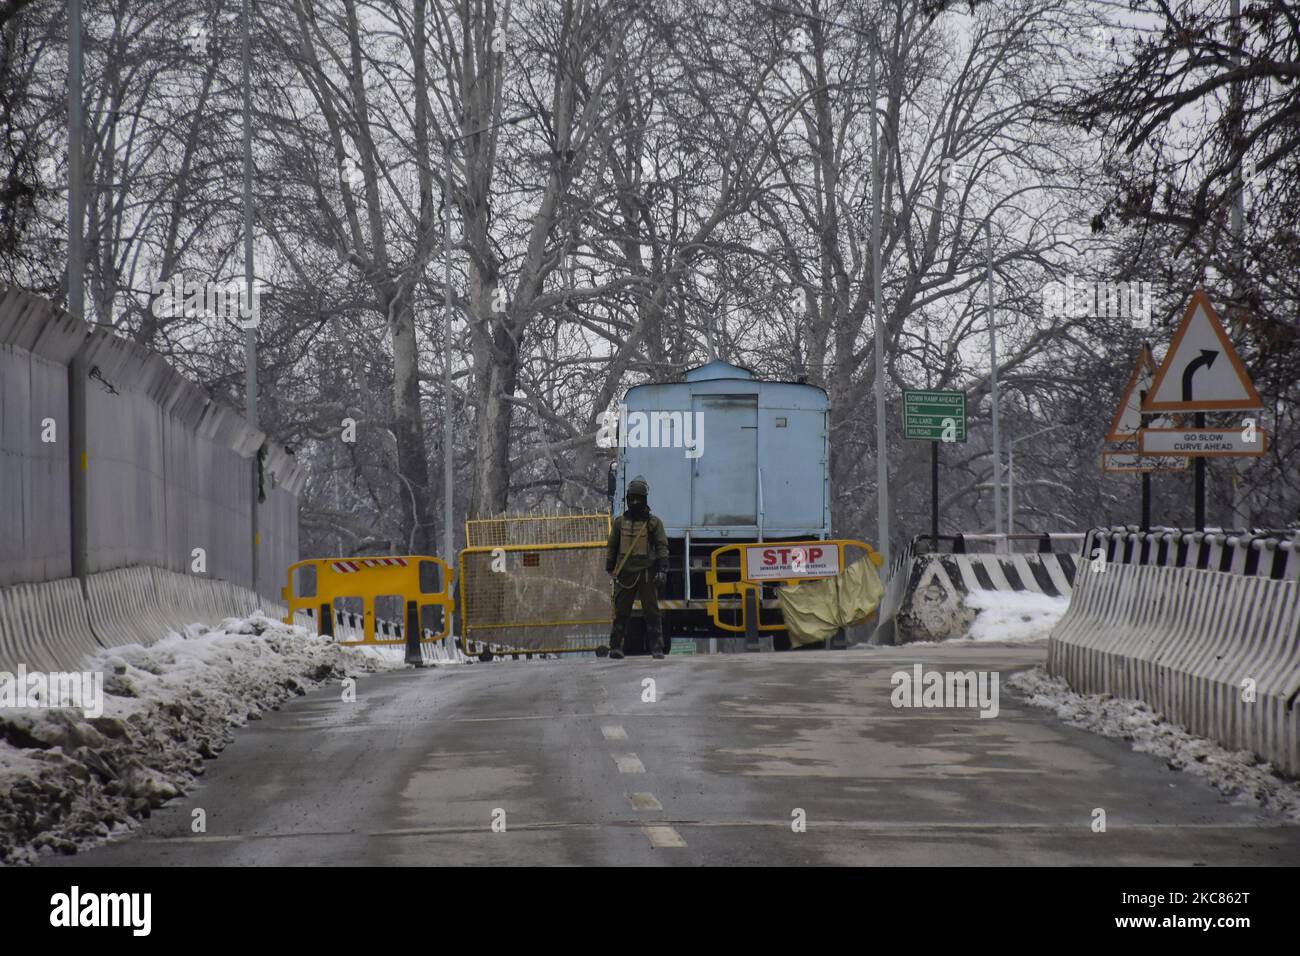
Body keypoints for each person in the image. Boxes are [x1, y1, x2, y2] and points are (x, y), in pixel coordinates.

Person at [605, 475, 669, 659]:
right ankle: (615, 647)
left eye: (638, 499)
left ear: (644, 499)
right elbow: (612, 546)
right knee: (622, 612)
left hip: (646, 572)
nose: (634, 502)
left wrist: (662, 569)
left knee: (652, 611)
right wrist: (610, 567)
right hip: (625, 574)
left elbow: (662, 546)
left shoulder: (653, 523)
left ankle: (657, 647)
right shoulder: (619, 523)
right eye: (632, 498)